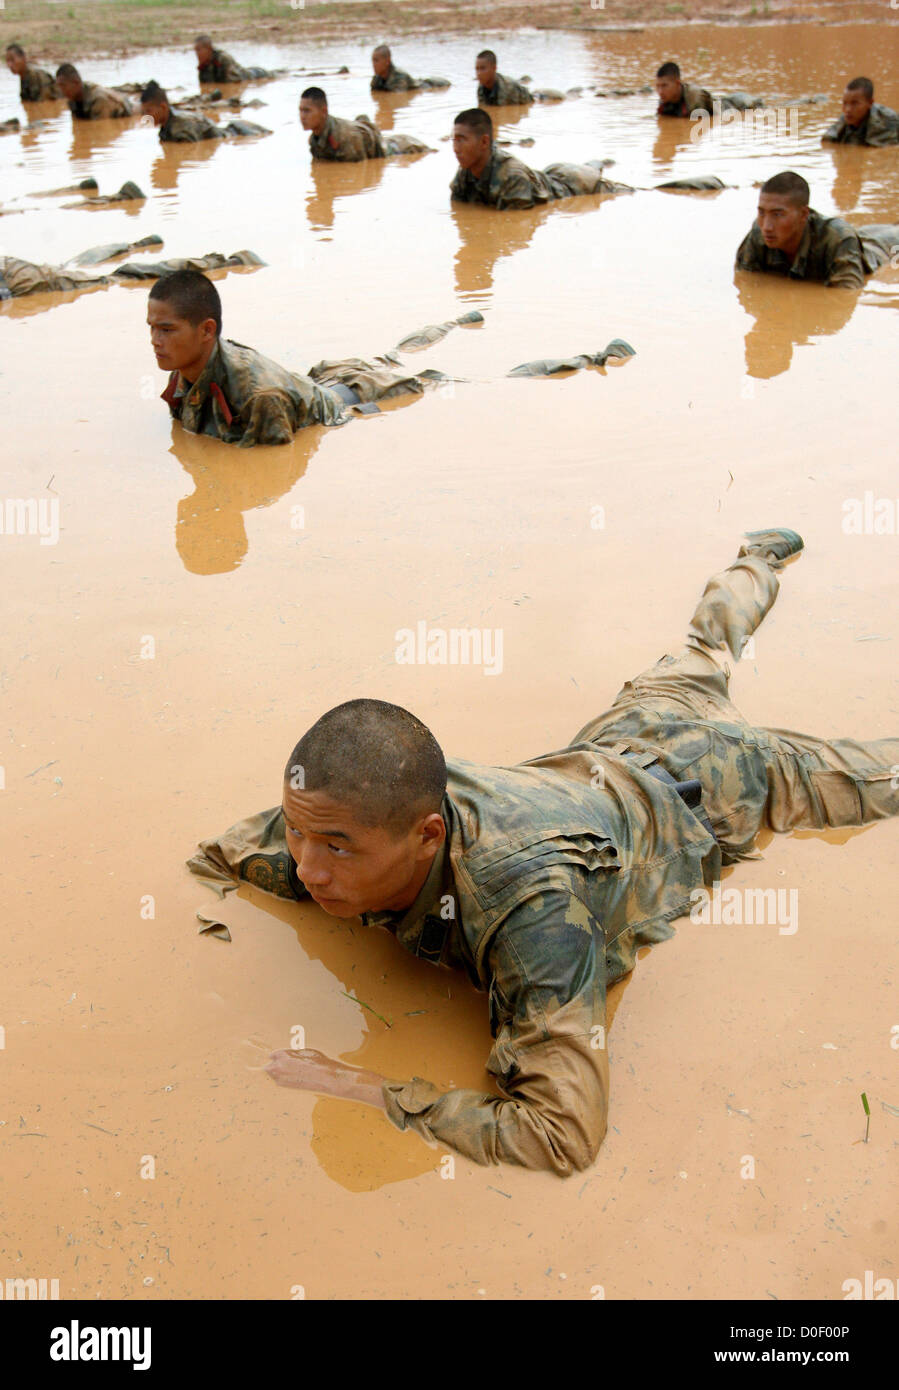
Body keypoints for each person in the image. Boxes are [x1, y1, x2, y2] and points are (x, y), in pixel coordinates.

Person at [187, 531, 899, 1174]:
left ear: (427, 834)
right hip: (623, 735)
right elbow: (217, 858)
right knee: (703, 651)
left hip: (726, 785)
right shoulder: (343, 808)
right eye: (297, 832)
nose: (308, 869)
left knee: (880, 774)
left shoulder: (531, 913)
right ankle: (754, 558)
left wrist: (365, 1088)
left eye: (336, 848)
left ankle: (757, 563)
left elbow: (561, 1137)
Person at [148, 270, 444, 447]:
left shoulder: (260, 399)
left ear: (206, 330)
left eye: (166, 329)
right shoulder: (185, 364)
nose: (155, 340)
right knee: (390, 356)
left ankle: (454, 323)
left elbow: (269, 466)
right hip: (317, 383)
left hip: (355, 397)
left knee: (427, 377)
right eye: (152, 328)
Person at [735, 170, 899, 289]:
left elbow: (845, 297)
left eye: (778, 214)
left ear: (803, 214)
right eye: (761, 212)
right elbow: (745, 283)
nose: (767, 226)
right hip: (857, 236)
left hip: (883, 249)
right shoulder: (759, 232)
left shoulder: (839, 239)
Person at [450, 107, 630, 210]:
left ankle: (598, 165)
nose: (455, 148)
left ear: (484, 141)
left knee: (632, 192)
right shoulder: (465, 171)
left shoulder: (511, 176)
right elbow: (460, 211)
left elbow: (512, 225)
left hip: (575, 186)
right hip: (548, 176)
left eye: (462, 140)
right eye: (454, 140)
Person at [0, 249, 261, 300]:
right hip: (25, 276)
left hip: (29, 281)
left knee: (121, 278)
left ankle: (224, 263)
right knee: (122, 277)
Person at [299, 87, 428, 160]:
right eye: (300, 111)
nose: (302, 117)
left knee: (423, 150)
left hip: (383, 148)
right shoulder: (314, 140)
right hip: (360, 133)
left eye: (307, 111)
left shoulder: (345, 137)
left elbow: (362, 170)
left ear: (323, 111)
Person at [140, 81, 269, 141]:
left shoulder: (181, 127)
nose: (146, 117)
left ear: (163, 107)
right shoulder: (168, 126)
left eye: (148, 112)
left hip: (239, 133)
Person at [822, 76, 899, 147]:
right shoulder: (846, 117)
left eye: (854, 103)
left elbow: (882, 151)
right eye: (845, 103)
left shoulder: (886, 120)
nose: (848, 109)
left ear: (870, 103)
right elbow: (827, 141)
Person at [55, 63, 132, 119]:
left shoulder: (98, 99)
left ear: (76, 83)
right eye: (59, 86)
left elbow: (101, 130)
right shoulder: (72, 100)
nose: (61, 91)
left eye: (63, 86)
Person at [369, 44, 450, 93]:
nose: (373, 64)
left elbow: (397, 96)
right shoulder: (377, 78)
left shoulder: (399, 76)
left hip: (434, 85)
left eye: (376, 61)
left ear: (387, 61)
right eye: (372, 61)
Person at [194, 34, 271, 84]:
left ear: (209, 49)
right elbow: (204, 83)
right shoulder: (203, 65)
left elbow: (235, 83)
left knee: (278, 74)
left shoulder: (223, 59)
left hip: (256, 75)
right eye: (195, 50)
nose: (196, 53)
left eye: (198, 50)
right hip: (246, 73)